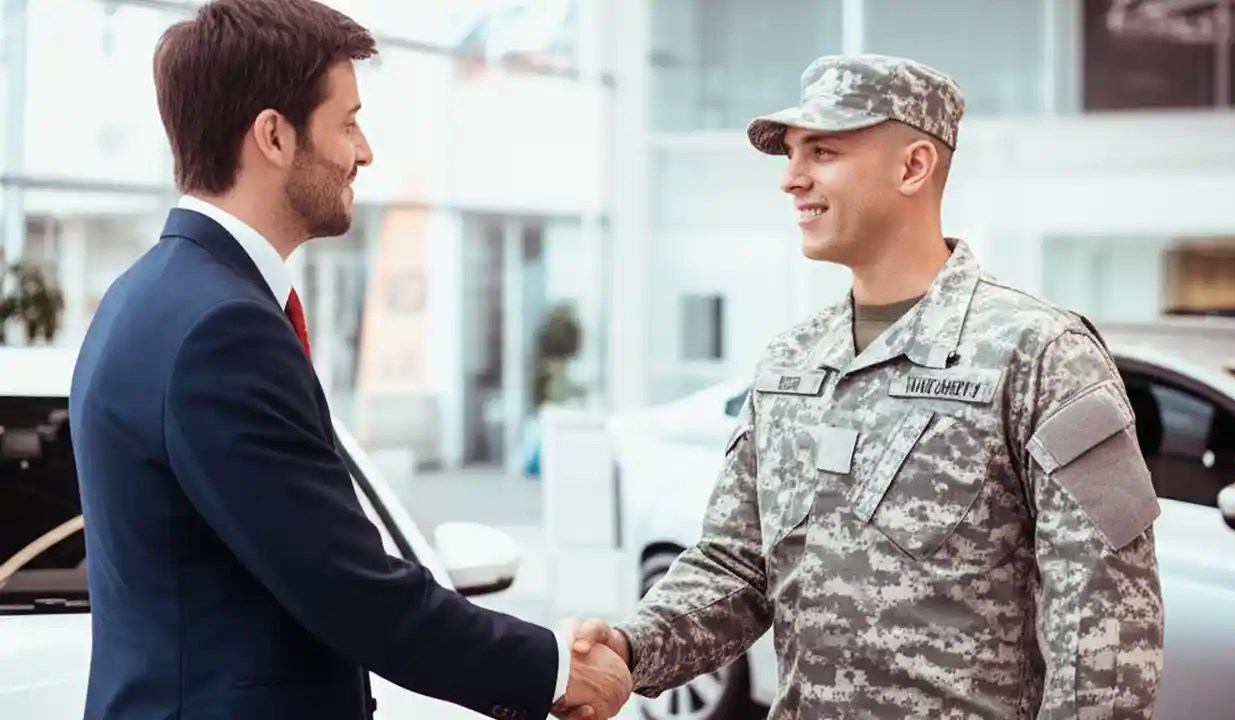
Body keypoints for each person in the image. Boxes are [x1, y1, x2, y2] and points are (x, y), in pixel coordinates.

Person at [67, 2, 628, 719]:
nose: (364, 151)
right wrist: (554, 669)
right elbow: (347, 585)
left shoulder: (143, 298)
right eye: (348, 121)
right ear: (273, 135)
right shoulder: (223, 329)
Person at [569, 54, 1164, 718]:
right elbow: (737, 567)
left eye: (822, 153)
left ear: (913, 166)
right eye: (791, 155)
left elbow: (1106, 629)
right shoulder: (791, 362)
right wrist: (629, 647)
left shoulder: (1042, 355)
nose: (791, 180)